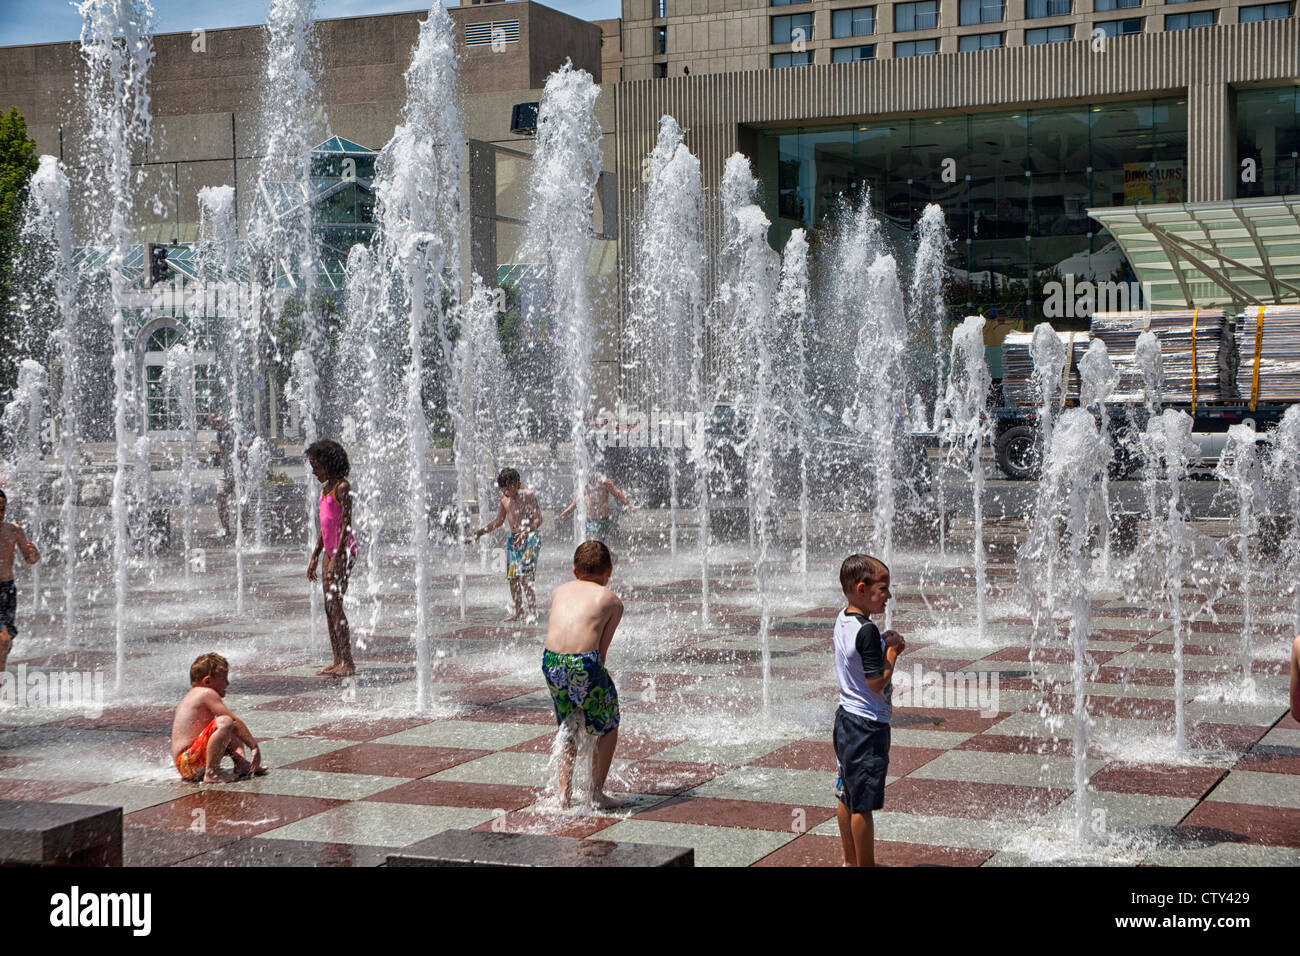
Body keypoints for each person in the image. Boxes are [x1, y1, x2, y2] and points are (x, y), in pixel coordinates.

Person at [833, 554, 905, 867]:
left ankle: (850, 862)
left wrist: (879, 643)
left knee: (846, 793)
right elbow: (877, 683)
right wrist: (892, 651)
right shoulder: (866, 632)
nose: (888, 595)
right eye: (883, 588)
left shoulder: (844, 618)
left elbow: (856, 660)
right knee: (862, 805)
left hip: (845, 720)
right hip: (867, 727)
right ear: (862, 588)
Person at [542, 540, 624, 809]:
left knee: (569, 722)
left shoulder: (558, 591)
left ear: (575, 570)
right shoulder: (612, 601)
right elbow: (600, 653)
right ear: (609, 571)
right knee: (609, 723)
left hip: (551, 662)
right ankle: (595, 794)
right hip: (584, 663)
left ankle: (563, 796)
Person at [170, 652, 266, 784]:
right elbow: (234, 721)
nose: (227, 683)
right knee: (226, 721)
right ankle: (211, 773)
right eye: (224, 679)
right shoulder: (206, 693)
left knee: (230, 727)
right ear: (208, 681)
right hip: (188, 761)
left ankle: (242, 764)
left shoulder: (195, 695)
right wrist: (254, 746)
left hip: (187, 764)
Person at [307, 439, 357, 677]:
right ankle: (337, 659)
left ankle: (348, 661)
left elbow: (346, 525)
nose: (313, 471)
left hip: (343, 550)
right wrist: (315, 555)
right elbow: (324, 526)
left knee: (335, 604)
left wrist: (337, 556)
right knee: (329, 606)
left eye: (316, 465)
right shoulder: (325, 489)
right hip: (328, 551)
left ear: (328, 463)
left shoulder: (342, 488)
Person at [468, 468, 544, 623]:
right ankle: (518, 611)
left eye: (508, 489)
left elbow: (539, 519)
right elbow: (498, 521)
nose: (506, 493)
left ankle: (533, 611)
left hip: (530, 539)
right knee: (513, 578)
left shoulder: (528, 495)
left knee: (524, 577)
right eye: (504, 490)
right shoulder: (504, 498)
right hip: (513, 541)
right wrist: (479, 533)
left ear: (515, 484)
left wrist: (525, 531)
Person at [0, 488, 40, 678]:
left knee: (7, 641)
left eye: (2, 509)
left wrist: (35, 555)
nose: (0, 513)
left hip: (8, 590)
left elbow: (29, 559)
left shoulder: (13, 530)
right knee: (3, 640)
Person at [557, 472, 634, 542]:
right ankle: (610, 555)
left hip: (602, 519)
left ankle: (609, 555)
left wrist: (628, 504)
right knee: (592, 544)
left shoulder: (604, 482)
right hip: (590, 520)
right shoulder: (585, 483)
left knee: (595, 544)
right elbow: (579, 498)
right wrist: (569, 510)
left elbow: (617, 493)